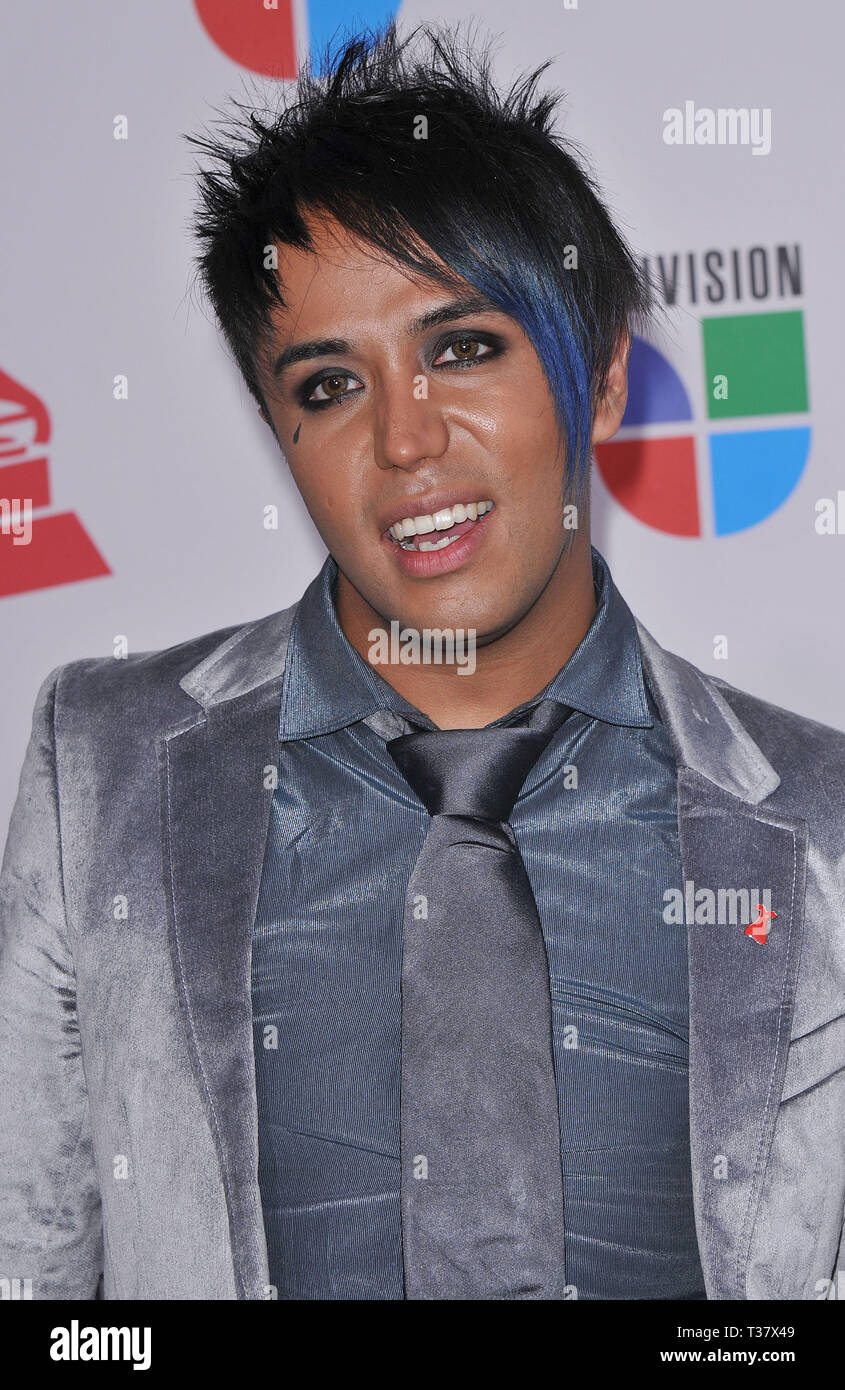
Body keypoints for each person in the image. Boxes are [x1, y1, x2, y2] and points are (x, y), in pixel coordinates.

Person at [1, 23, 843, 1301]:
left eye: (463, 348)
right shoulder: (100, 769)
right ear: (278, 430)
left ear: (602, 373)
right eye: (330, 385)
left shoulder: (816, 819)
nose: (406, 440)